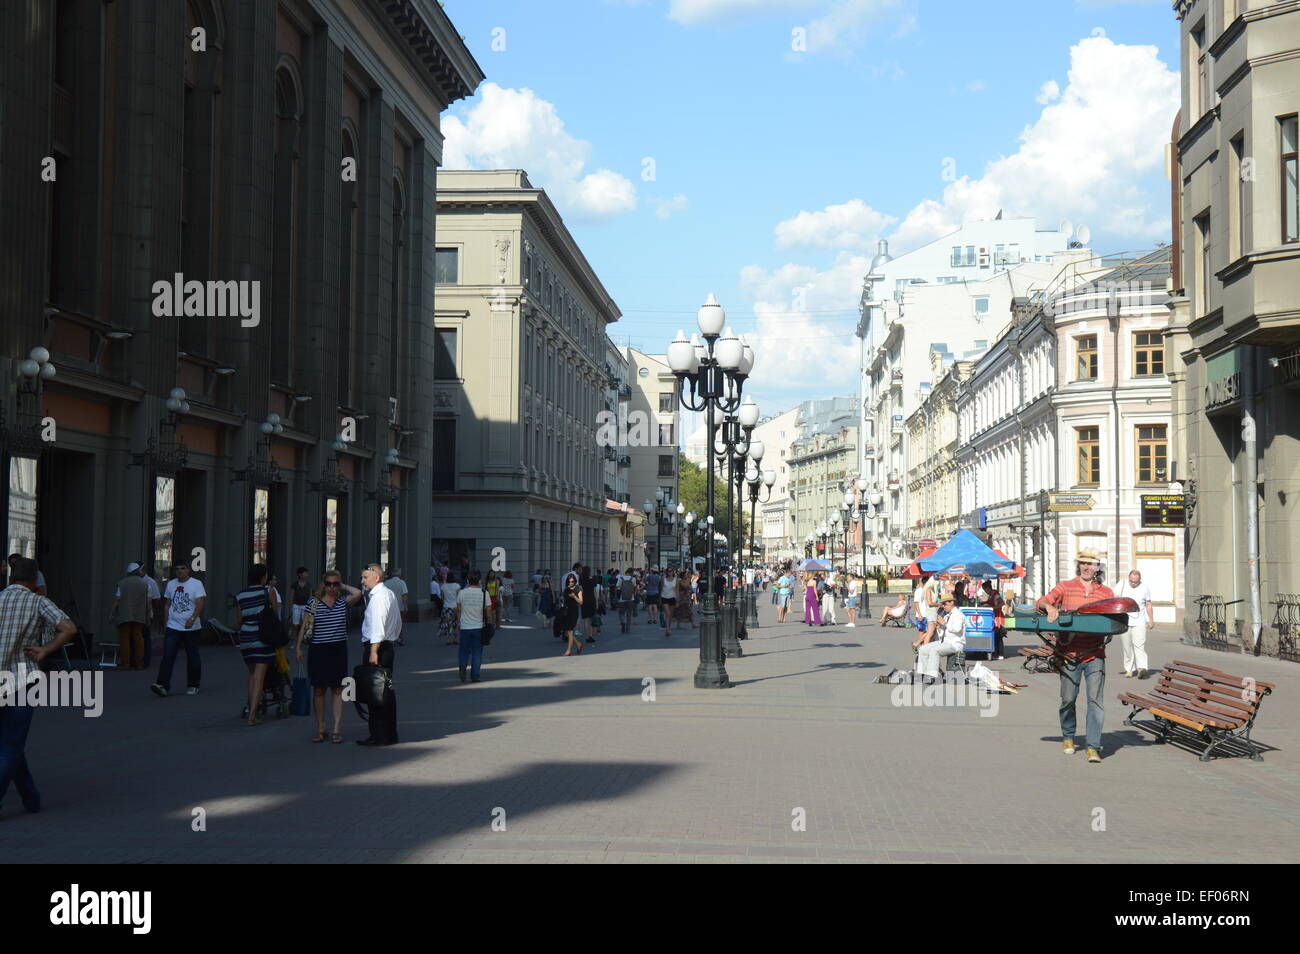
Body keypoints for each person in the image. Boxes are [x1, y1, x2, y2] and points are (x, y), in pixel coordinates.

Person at [0, 558, 77, 815]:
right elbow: (68, 628)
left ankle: (31, 798)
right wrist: (45, 650)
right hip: (23, 681)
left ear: (10, 578)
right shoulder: (38, 602)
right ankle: (28, 798)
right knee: (12, 744)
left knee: (10, 743)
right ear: (35, 581)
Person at [1037, 549, 1114, 763]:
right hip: (1068, 653)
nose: (1086, 567)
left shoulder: (1106, 592)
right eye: (1083, 563)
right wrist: (1049, 607)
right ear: (1078, 565)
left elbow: (1115, 617)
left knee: (1095, 702)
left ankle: (1093, 746)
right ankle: (1068, 736)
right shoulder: (1067, 586)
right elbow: (1042, 600)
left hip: (1095, 654)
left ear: (1097, 567)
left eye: (1090, 564)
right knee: (1068, 699)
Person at [295, 570, 362, 742]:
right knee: (318, 690)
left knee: (338, 689)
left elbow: (358, 593)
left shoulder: (343, 602)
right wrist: (298, 647)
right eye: (328, 584)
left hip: (338, 649)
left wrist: (344, 585)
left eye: (335, 584)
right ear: (323, 585)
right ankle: (321, 729)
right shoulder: (314, 603)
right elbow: (306, 624)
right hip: (318, 650)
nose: (332, 587)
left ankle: (337, 730)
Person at [358, 563, 402, 745]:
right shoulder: (389, 594)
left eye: (365, 577)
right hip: (387, 648)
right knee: (387, 690)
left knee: (375, 692)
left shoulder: (378, 598)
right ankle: (390, 734)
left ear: (376, 577)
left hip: (377, 650)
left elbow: (378, 626)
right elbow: (398, 622)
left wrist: (373, 651)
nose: (362, 580)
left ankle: (378, 735)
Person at [151, 559, 206, 697]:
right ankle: (162, 685)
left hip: (191, 627)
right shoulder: (171, 584)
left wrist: (192, 619)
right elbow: (167, 604)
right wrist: (166, 622)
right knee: (168, 656)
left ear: (188, 570)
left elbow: (200, 603)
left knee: (192, 656)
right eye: (177, 569)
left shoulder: (196, 584)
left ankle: (193, 685)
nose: (180, 571)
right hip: (173, 626)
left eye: (182, 568)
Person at [235, 565, 280, 726]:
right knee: (259, 677)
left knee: (252, 674)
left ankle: (250, 707)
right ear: (263, 578)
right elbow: (274, 614)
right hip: (262, 637)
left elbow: (239, 620)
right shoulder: (268, 591)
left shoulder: (240, 595)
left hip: (245, 638)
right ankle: (252, 715)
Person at [914, 589, 965, 680]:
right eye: (942, 604)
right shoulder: (947, 615)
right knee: (923, 649)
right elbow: (943, 633)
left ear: (952, 603)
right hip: (944, 641)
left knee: (934, 650)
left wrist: (944, 624)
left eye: (945, 604)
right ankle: (923, 673)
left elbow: (957, 629)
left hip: (954, 643)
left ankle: (932, 675)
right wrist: (939, 627)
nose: (943, 606)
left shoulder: (958, 615)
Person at [455, 570, 495, 683]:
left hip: (465, 627)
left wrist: (458, 622)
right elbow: (488, 612)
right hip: (478, 627)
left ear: (468, 580)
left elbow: (458, 609)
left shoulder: (462, 592)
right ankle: (475, 676)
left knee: (463, 650)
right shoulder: (484, 593)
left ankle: (462, 667)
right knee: (477, 652)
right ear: (479, 580)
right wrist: (490, 624)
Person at [111, 562, 152, 670]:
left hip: (124, 614)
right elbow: (148, 603)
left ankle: (125, 663)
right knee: (138, 638)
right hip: (139, 615)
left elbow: (117, 600)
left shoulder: (121, 583)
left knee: (124, 639)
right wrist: (149, 615)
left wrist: (112, 614)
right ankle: (139, 662)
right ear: (138, 571)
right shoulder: (145, 584)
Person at [1116, 569, 1154, 679]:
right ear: (1128, 578)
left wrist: (1151, 620)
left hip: (1140, 621)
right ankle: (1129, 669)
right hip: (1124, 621)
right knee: (1127, 647)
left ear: (1139, 580)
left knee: (1139, 645)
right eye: (1131, 581)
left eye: (1136, 582)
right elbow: (1113, 597)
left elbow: (1148, 604)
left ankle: (1141, 668)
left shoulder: (1144, 587)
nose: (1133, 584)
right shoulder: (1122, 584)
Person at [560, 575, 584, 657]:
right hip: (566, 612)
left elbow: (581, 602)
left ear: (575, 581)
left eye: (572, 581)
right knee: (566, 633)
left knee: (570, 631)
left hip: (574, 611)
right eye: (569, 581)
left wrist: (574, 597)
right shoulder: (566, 590)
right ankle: (578, 644)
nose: (571, 583)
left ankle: (568, 651)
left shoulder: (578, 588)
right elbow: (564, 600)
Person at [290, 566, 312, 642]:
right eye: (305, 573)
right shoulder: (295, 584)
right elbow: (292, 596)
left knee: (304, 624)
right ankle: (294, 640)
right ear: (300, 575)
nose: (307, 575)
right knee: (295, 624)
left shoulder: (309, 585)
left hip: (305, 606)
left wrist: (310, 608)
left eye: (307, 573)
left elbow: (310, 597)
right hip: (296, 605)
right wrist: (291, 607)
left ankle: (302, 639)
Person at [439, 573, 461, 645]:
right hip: (455, 607)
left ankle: (448, 639)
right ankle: (455, 639)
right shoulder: (457, 586)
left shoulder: (443, 586)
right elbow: (459, 598)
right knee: (455, 623)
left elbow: (442, 597)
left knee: (448, 624)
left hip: (446, 607)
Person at [616, 568, 637, 632]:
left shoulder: (621, 578)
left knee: (621, 613)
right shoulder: (633, 579)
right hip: (631, 599)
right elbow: (634, 588)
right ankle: (628, 629)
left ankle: (623, 623)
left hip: (622, 599)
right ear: (631, 573)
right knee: (629, 614)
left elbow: (617, 586)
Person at [658, 569, 675, 637]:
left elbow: (676, 590)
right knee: (667, 613)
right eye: (668, 571)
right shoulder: (663, 579)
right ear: (666, 572)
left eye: (671, 571)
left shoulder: (675, 580)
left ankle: (668, 628)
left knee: (670, 615)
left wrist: (678, 599)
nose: (670, 572)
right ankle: (667, 629)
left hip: (673, 597)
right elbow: (661, 589)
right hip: (664, 597)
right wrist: (659, 599)